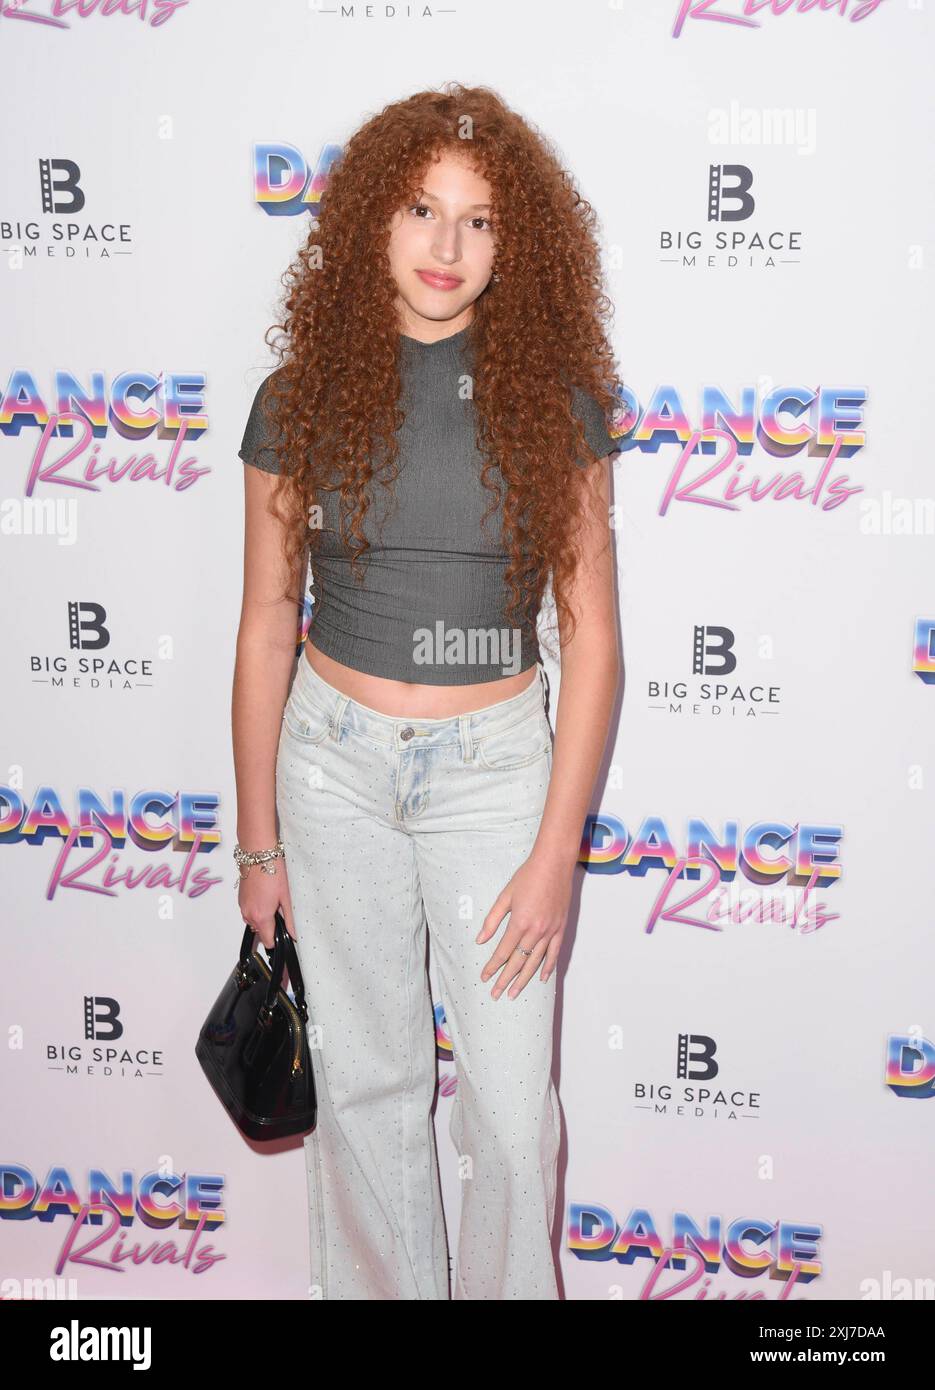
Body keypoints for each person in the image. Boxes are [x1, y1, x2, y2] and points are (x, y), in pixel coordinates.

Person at [232, 82, 622, 1301]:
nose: (446, 247)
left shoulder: (554, 411)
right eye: (419, 210)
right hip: (330, 766)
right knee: (366, 1096)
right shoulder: (296, 401)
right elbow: (261, 630)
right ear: (370, 223)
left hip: (494, 774)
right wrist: (257, 851)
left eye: (480, 221)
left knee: (510, 1120)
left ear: (518, 248)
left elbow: (594, 639)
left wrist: (557, 846)